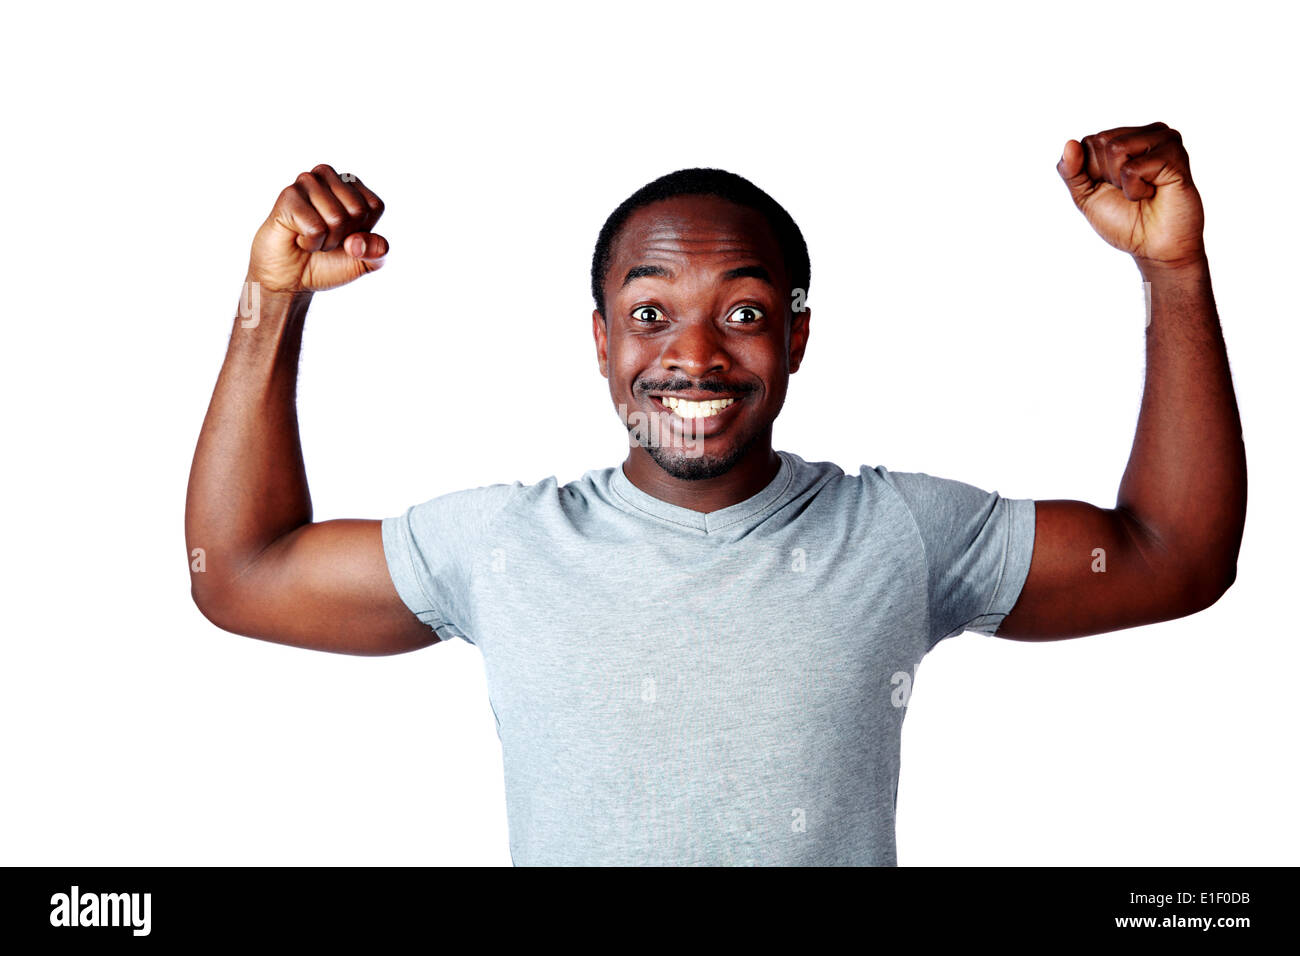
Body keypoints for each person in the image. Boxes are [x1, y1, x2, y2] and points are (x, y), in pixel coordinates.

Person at [185, 122, 1245, 865]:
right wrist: (270, 299)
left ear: (795, 335)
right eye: (649, 314)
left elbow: (1174, 558)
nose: (691, 355)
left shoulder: (899, 533)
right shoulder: (501, 544)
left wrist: (1175, 267)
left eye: (740, 313)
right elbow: (238, 575)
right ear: (599, 342)